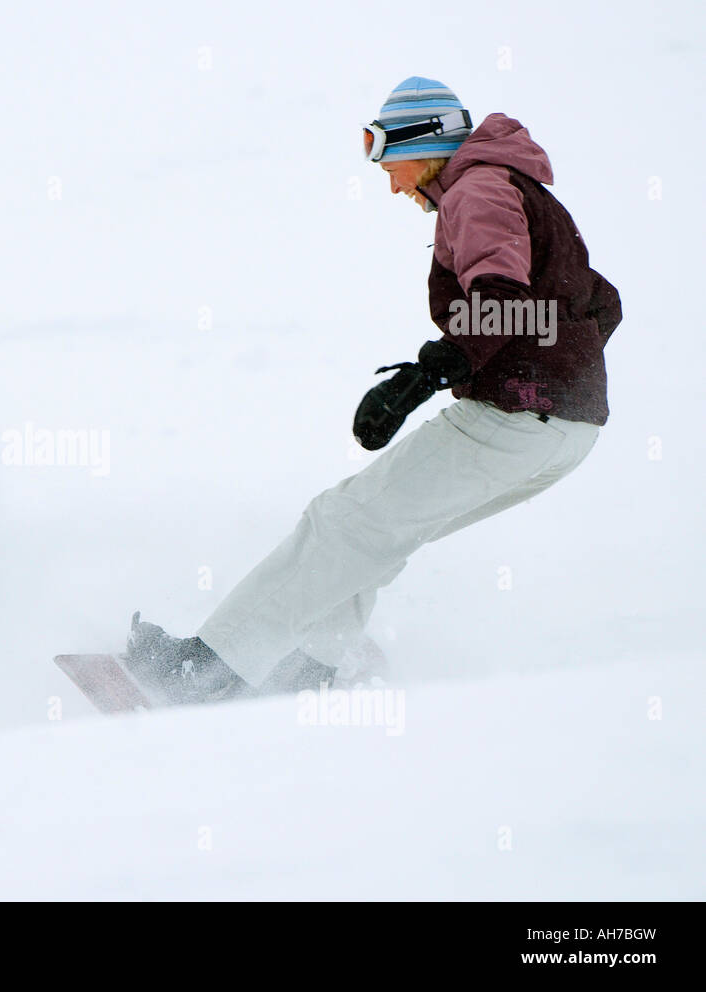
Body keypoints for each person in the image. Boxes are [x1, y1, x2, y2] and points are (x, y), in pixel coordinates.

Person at [125, 77, 622, 705]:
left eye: (394, 164)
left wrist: (432, 372)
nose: (392, 184)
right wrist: (555, 371)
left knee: (342, 524)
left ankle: (203, 672)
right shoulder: (518, 190)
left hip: (516, 419)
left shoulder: (477, 189)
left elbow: (500, 298)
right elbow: (604, 306)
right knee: (381, 530)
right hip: (568, 432)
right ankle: (308, 667)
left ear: (428, 142)